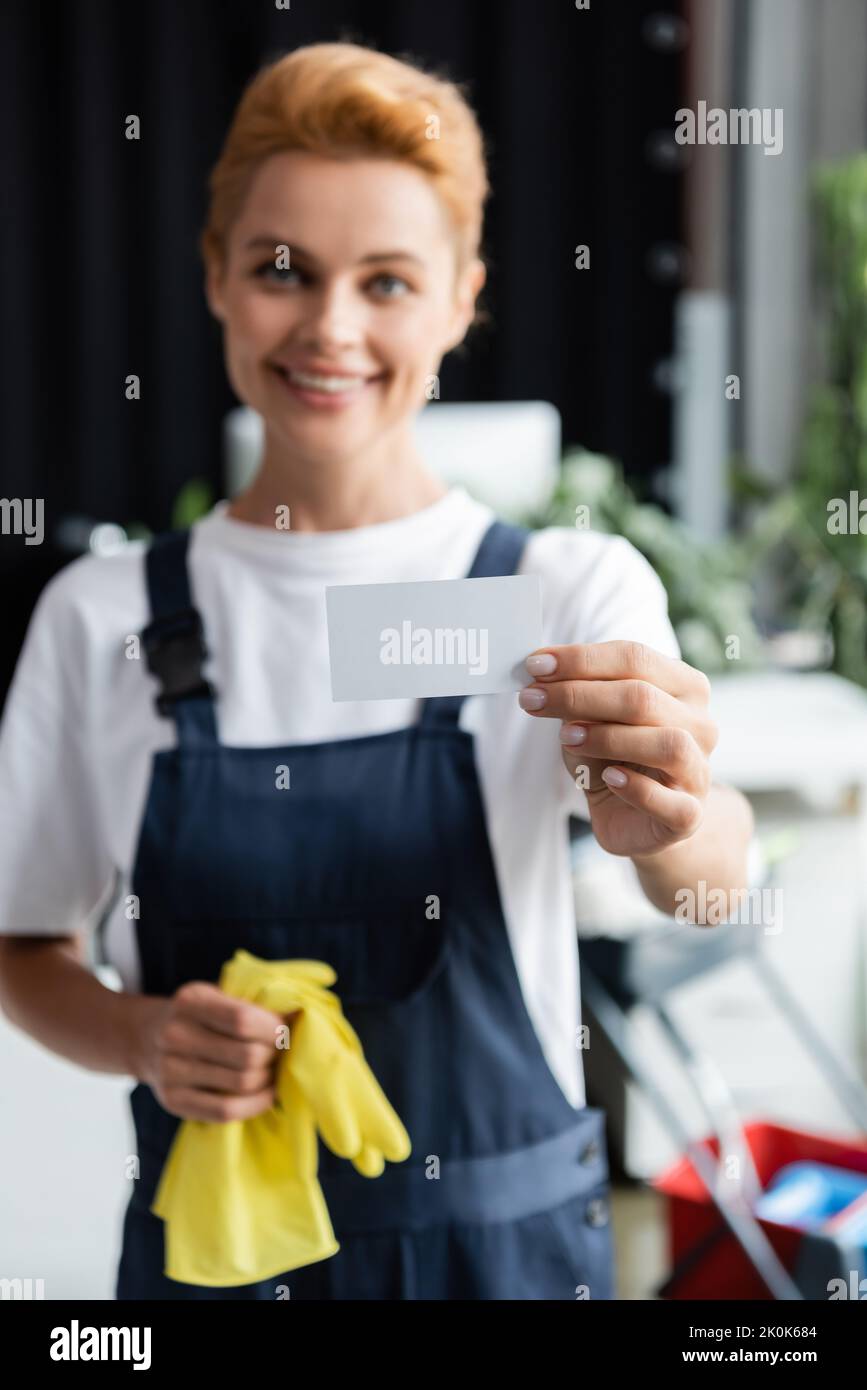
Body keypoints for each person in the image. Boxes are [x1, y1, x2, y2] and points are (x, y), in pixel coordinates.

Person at [0, 41, 753, 1301]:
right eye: (282, 269)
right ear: (218, 281)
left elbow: (711, 885)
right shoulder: (103, 615)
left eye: (389, 281)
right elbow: (22, 943)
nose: (332, 327)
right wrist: (139, 1033)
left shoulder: (568, 589)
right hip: (216, 1265)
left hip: (504, 1265)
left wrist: (673, 826)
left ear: (464, 297)